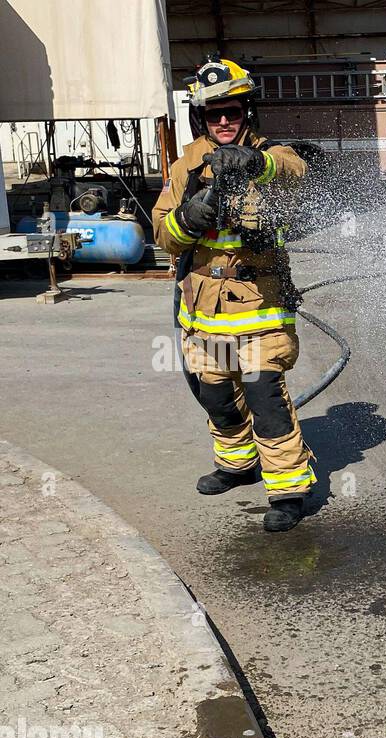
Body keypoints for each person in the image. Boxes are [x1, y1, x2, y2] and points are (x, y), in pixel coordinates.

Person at [151, 57, 315, 533]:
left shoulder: (271, 156)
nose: (224, 121)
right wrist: (189, 219)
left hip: (260, 305)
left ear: (248, 112)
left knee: (264, 396)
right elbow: (163, 233)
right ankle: (238, 464)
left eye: (233, 111)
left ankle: (289, 489)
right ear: (201, 117)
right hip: (204, 312)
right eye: (214, 113)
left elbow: (295, 171)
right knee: (217, 395)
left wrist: (256, 163)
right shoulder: (185, 167)